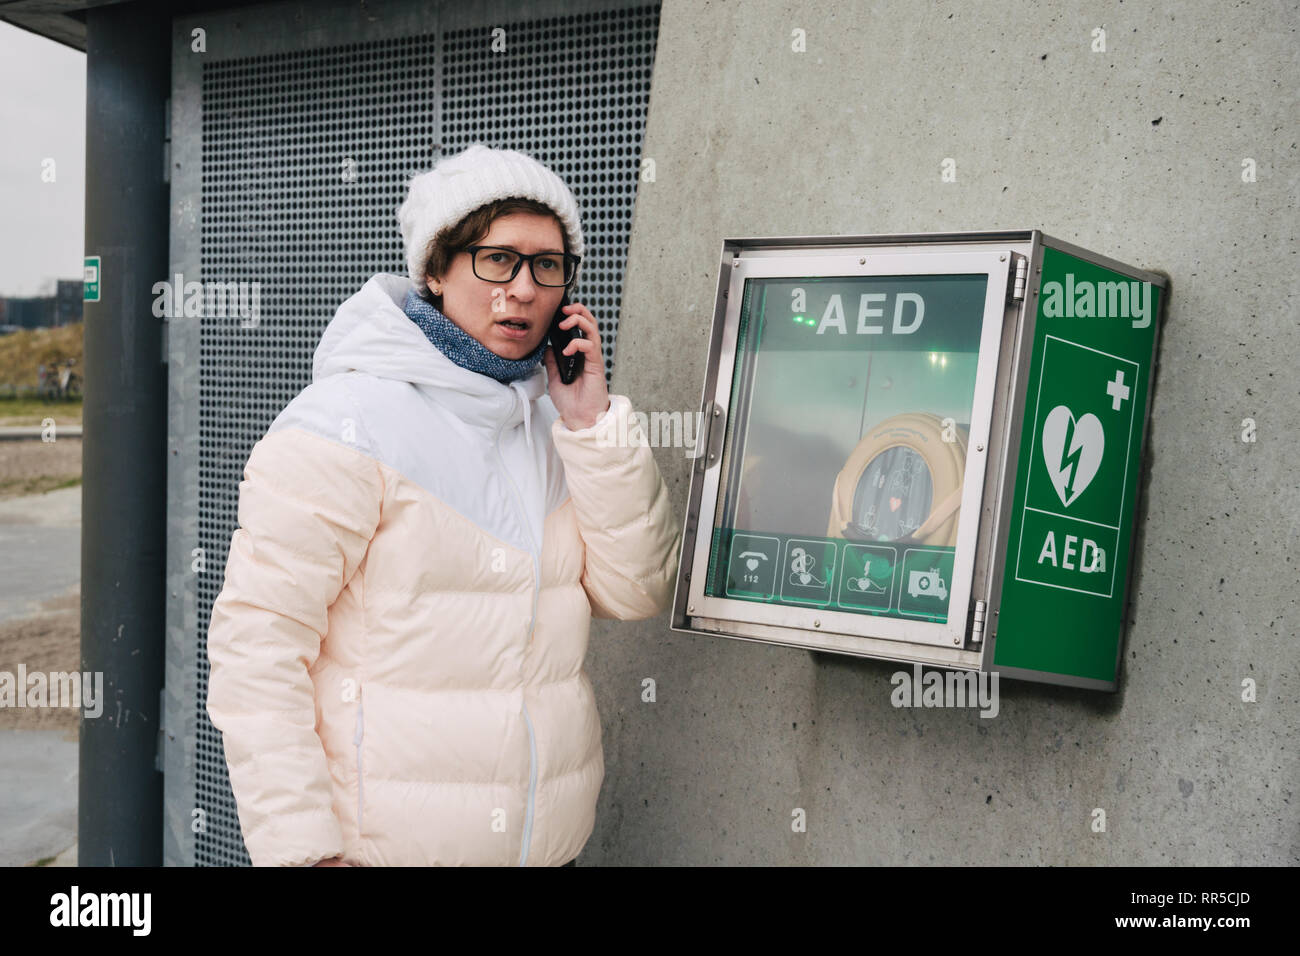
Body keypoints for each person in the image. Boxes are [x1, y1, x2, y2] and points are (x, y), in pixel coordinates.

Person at [205, 143, 681, 866]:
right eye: (497, 259)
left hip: (549, 850)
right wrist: (306, 853)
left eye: (547, 265)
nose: (523, 289)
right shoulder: (346, 422)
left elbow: (636, 589)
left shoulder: (561, 426)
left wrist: (591, 424)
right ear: (435, 269)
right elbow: (257, 650)